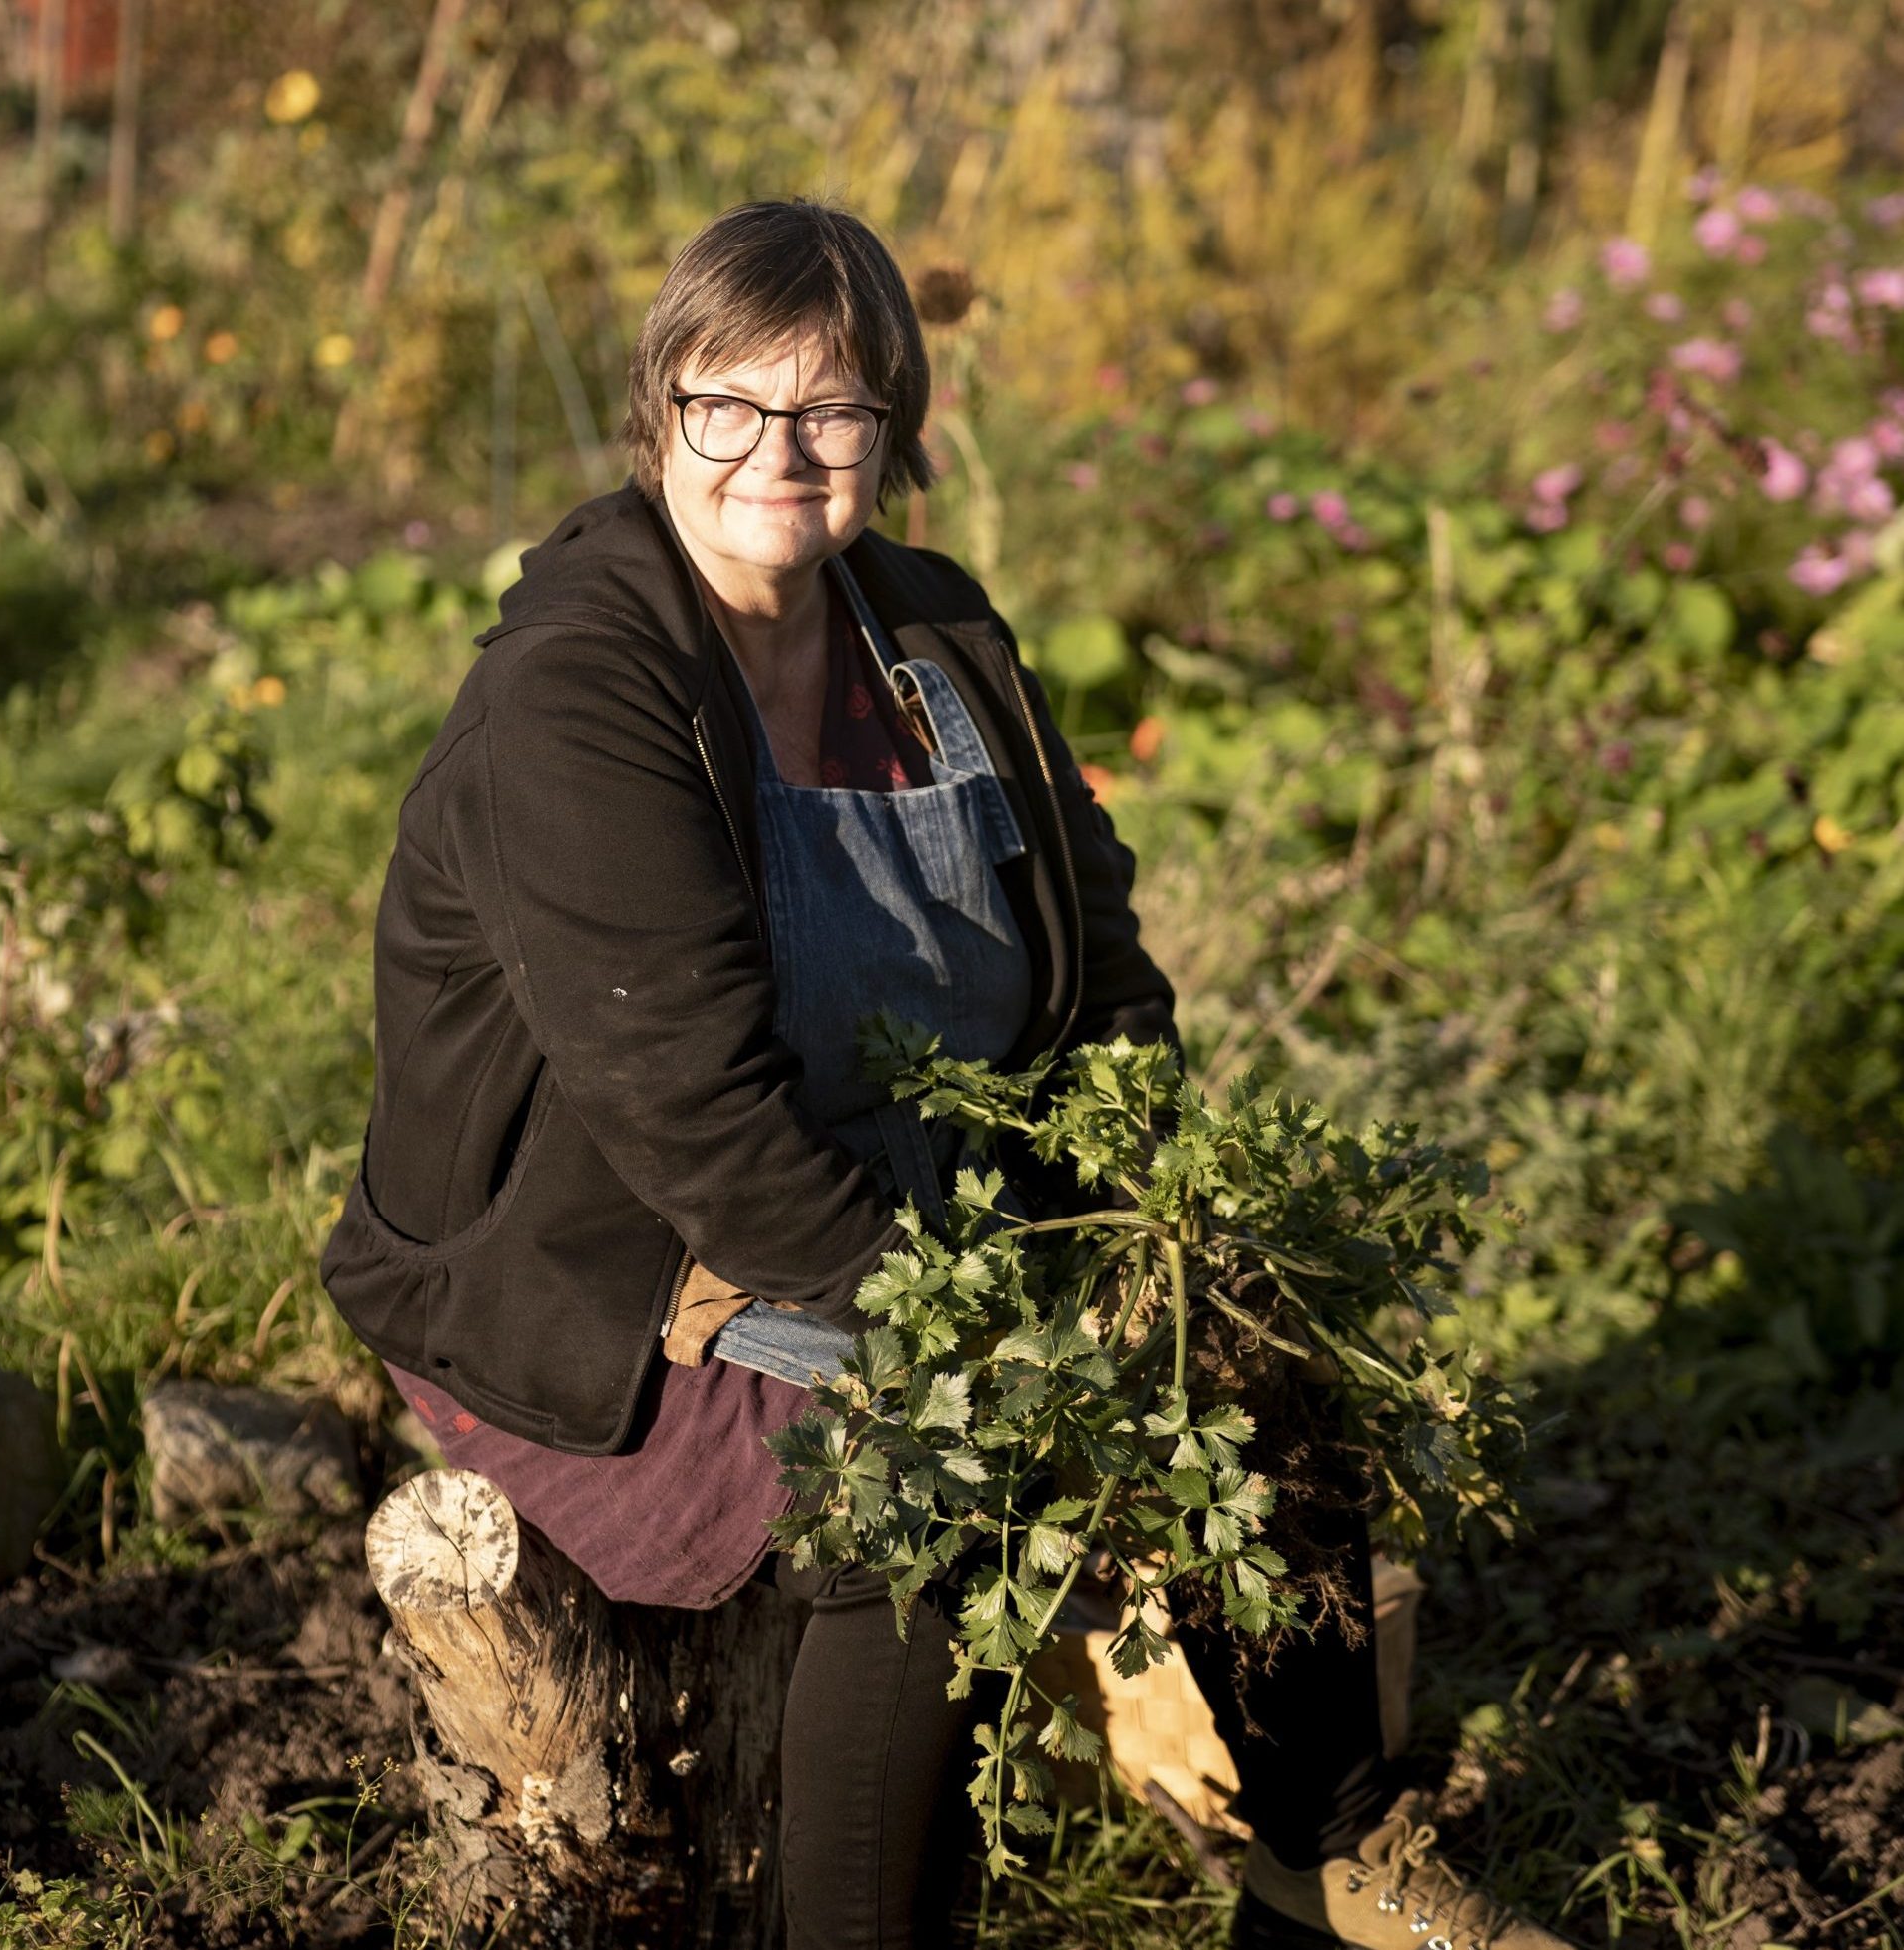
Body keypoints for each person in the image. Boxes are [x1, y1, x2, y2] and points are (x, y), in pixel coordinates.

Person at [319, 197, 1567, 1950]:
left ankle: (1322, 1857)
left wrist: (1145, 1215)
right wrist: (983, 1331)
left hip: (931, 1205)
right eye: (723, 403)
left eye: (829, 410)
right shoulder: (578, 699)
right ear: (655, 411)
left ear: (892, 429)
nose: (776, 452)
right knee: (925, 1475)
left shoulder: (933, 640)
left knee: (1252, 1339)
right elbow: (691, 1115)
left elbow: (1099, 952)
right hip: (610, 1269)